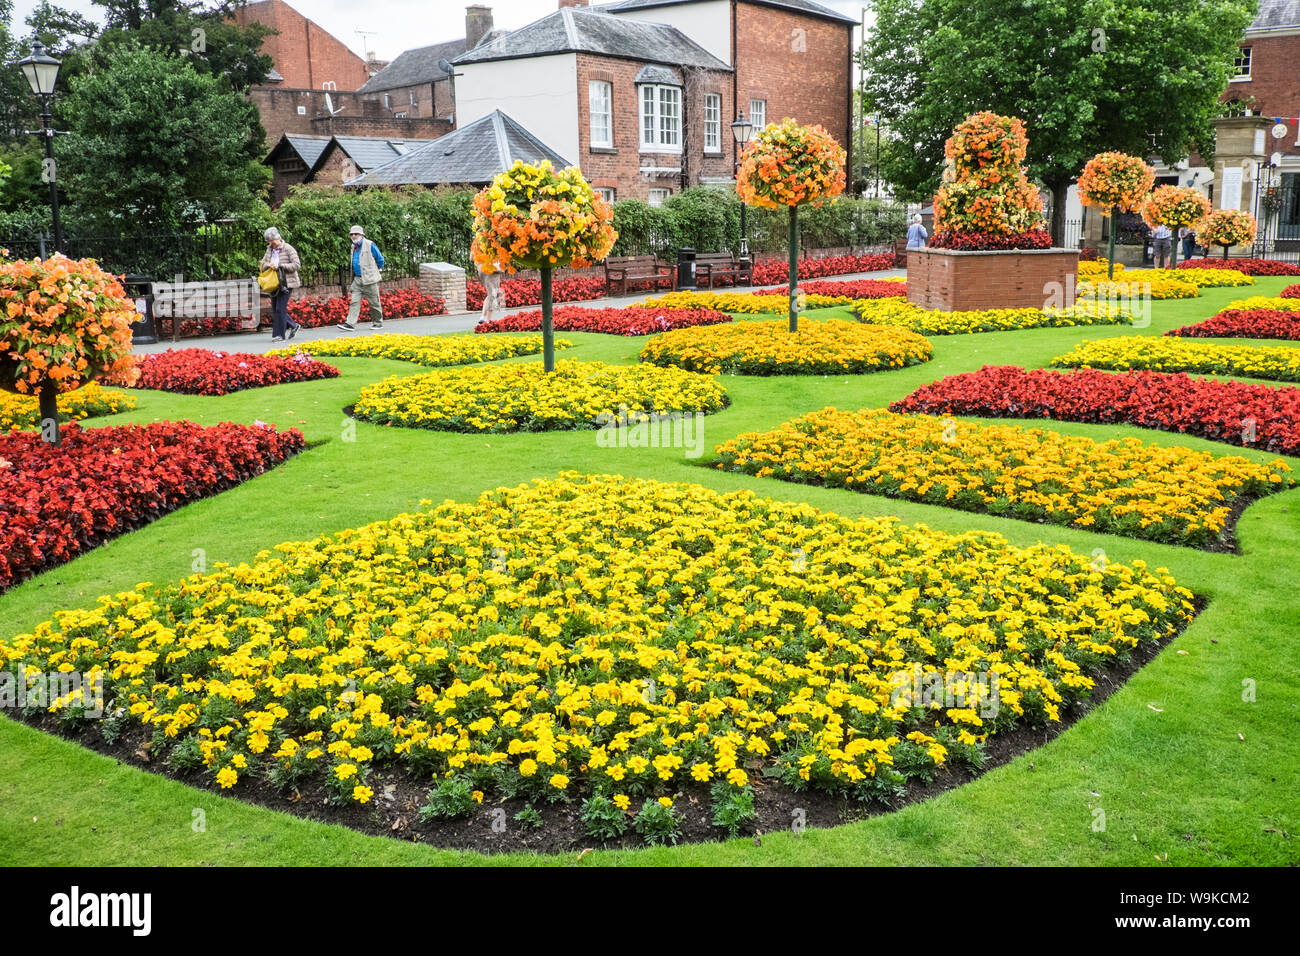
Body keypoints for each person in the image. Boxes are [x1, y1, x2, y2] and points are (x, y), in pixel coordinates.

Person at [337, 225, 385, 331]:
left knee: (374, 303)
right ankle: (350, 324)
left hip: (369, 279)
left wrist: (376, 270)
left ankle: (378, 323)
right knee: (354, 301)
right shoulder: (353, 246)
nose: (353, 236)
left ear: (362, 235)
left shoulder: (370, 244)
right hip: (357, 279)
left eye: (356, 234)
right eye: (352, 234)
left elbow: (380, 259)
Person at [260, 227, 301, 342]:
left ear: (278, 238)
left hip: (286, 283)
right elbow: (263, 265)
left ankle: (279, 335)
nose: (271, 243)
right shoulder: (269, 249)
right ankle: (293, 325)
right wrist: (269, 265)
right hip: (273, 283)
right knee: (276, 308)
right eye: (269, 241)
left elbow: (297, 265)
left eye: (272, 241)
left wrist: (280, 266)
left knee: (280, 309)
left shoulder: (288, 249)